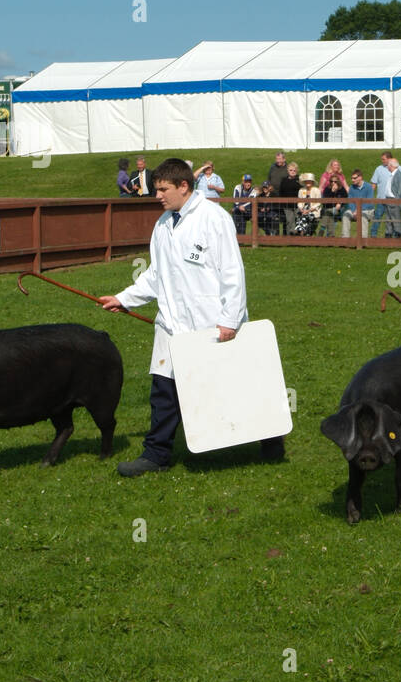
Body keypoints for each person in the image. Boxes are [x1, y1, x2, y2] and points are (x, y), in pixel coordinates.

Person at [98, 158, 281, 474]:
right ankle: (156, 456)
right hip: (171, 325)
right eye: (156, 189)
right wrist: (124, 299)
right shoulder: (163, 225)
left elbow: (232, 273)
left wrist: (229, 319)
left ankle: (271, 438)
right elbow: (156, 274)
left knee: (236, 385)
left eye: (163, 189)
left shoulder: (214, 219)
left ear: (184, 186)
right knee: (164, 390)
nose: (158, 195)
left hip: (211, 323)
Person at [369, 152, 393, 237]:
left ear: (389, 159)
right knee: (377, 218)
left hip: (393, 199)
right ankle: (373, 236)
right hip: (381, 199)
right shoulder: (379, 169)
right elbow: (374, 183)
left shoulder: (399, 168)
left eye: (383, 159)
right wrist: (370, 196)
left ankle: (390, 236)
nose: (382, 161)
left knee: (391, 219)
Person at [319, 167, 348, 237]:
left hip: (338, 210)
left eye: (335, 181)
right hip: (328, 208)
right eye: (331, 181)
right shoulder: (327, 189)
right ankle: (331, 236)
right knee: (329, 214)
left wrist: (340, 203)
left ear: (338, 181)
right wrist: (332, 192)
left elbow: (345, 197)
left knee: (328, 214)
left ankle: (321, 232)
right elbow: (325, 201)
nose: (333, 183)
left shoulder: (341, 189)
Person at [345, 168, 373, 238]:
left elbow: (369, 202)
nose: (352, 180)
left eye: (354, 178)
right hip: (354, 210)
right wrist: (354, 210)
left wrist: (358, 210)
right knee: (346, 215)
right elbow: (350, 201)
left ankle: (363, 240)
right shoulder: (351, 187)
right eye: (352, 178)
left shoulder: (368, 187)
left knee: (363, 216)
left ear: (360, 177)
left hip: (367, 210)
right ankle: (345, 239)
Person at [278, 161, 302, 235]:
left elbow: (302, 191)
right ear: (288, 171)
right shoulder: (284, 180)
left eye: (294, 170)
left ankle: (297, 236)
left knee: (298, 220)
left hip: (297, 204)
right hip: (287, 205)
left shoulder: (299, 180)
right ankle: (290, 237)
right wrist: (282, 203)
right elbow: (281, 192)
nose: (292, 172)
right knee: (289, 220)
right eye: (291, 170)